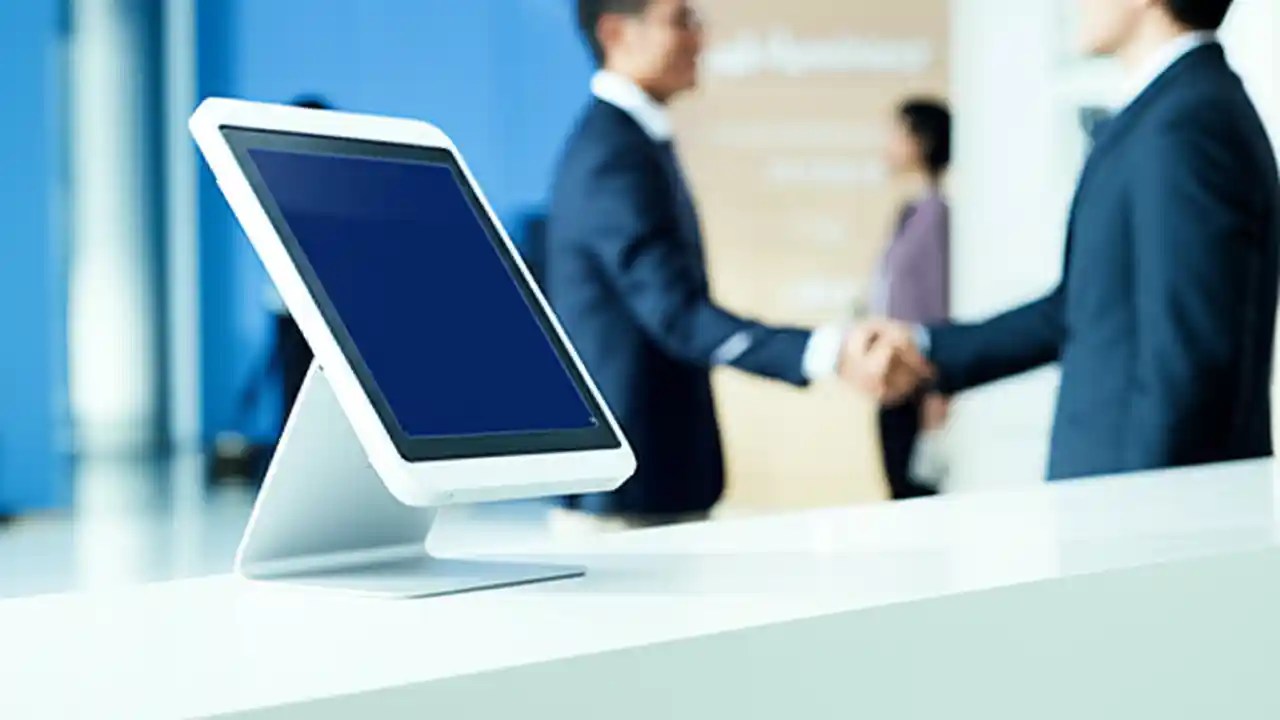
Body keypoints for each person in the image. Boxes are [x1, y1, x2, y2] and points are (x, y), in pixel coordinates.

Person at [857, 0, 1279, 481]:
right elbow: (1081, 309)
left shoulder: (1186, 123)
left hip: (1138, 502)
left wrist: (1141, 511)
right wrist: (925, 347)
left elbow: (1187, 363)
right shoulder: (1169, 112)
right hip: (1124, 498)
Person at [546, 0, 926, 530]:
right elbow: (676, 313)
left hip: (653, 480)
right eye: (681, 20)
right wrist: (827, 351)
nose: (700, 38)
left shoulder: (631, 141)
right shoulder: (613, 153)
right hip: (629, 490)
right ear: (616, 33)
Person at [871, 99, 952, 499]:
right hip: (891, 374)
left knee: (914, 491)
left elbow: (938, 302)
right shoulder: (911, 211)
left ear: (922, 141)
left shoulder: (937, 214)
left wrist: (939, 388)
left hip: (918, 378)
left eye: (897, 133)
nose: (888, 144)